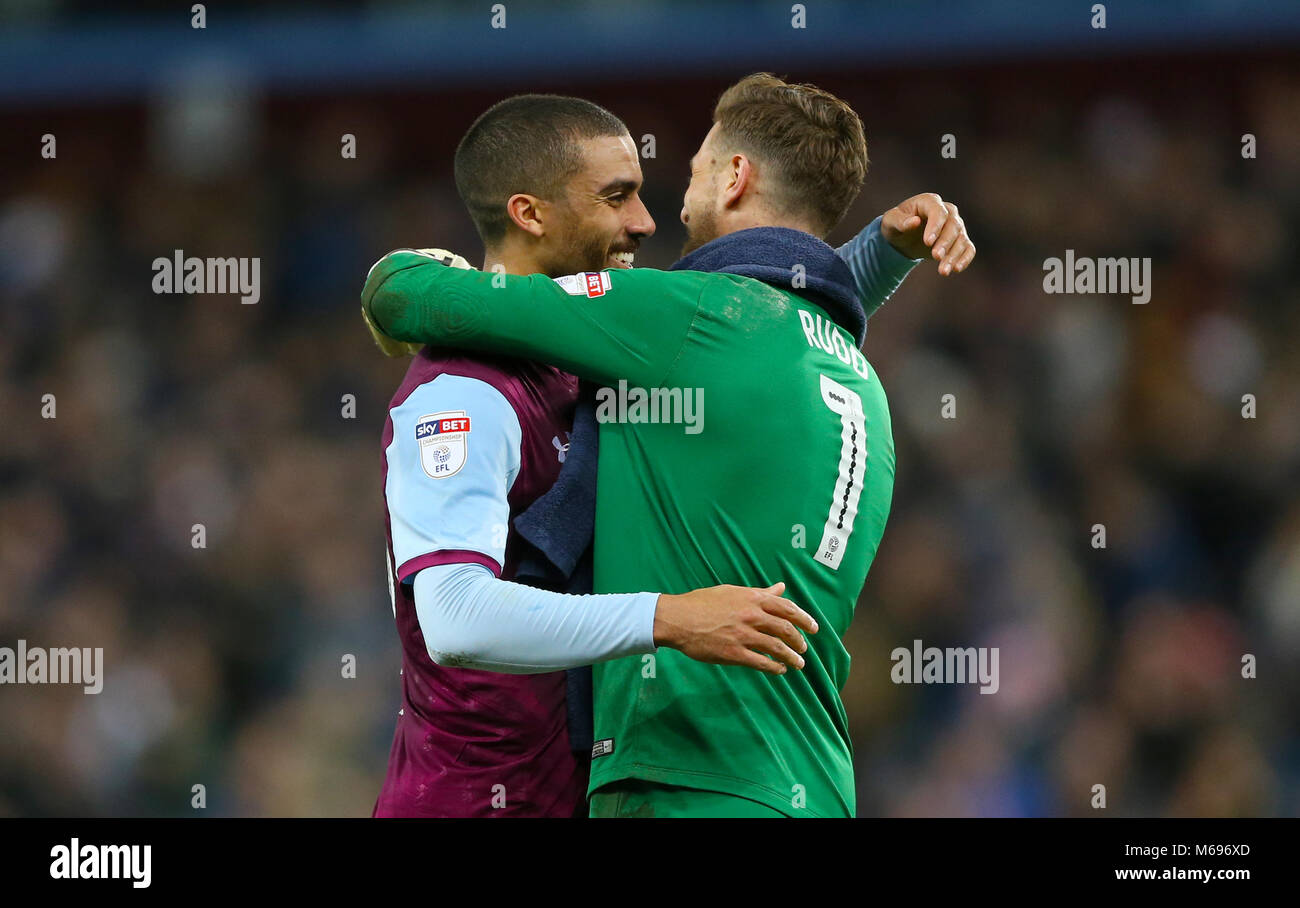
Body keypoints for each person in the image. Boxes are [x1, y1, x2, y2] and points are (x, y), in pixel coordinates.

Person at [364, 74, 975, 817]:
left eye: (674, 182)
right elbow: (454, 620)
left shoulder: (673, 335)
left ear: (736, 177)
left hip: (683, 784)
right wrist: (882, 250)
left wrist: (392, 277)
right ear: (528, 211)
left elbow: (409, 296)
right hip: (753, 784)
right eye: (617, 196)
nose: (651, 221)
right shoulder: (464, 391)